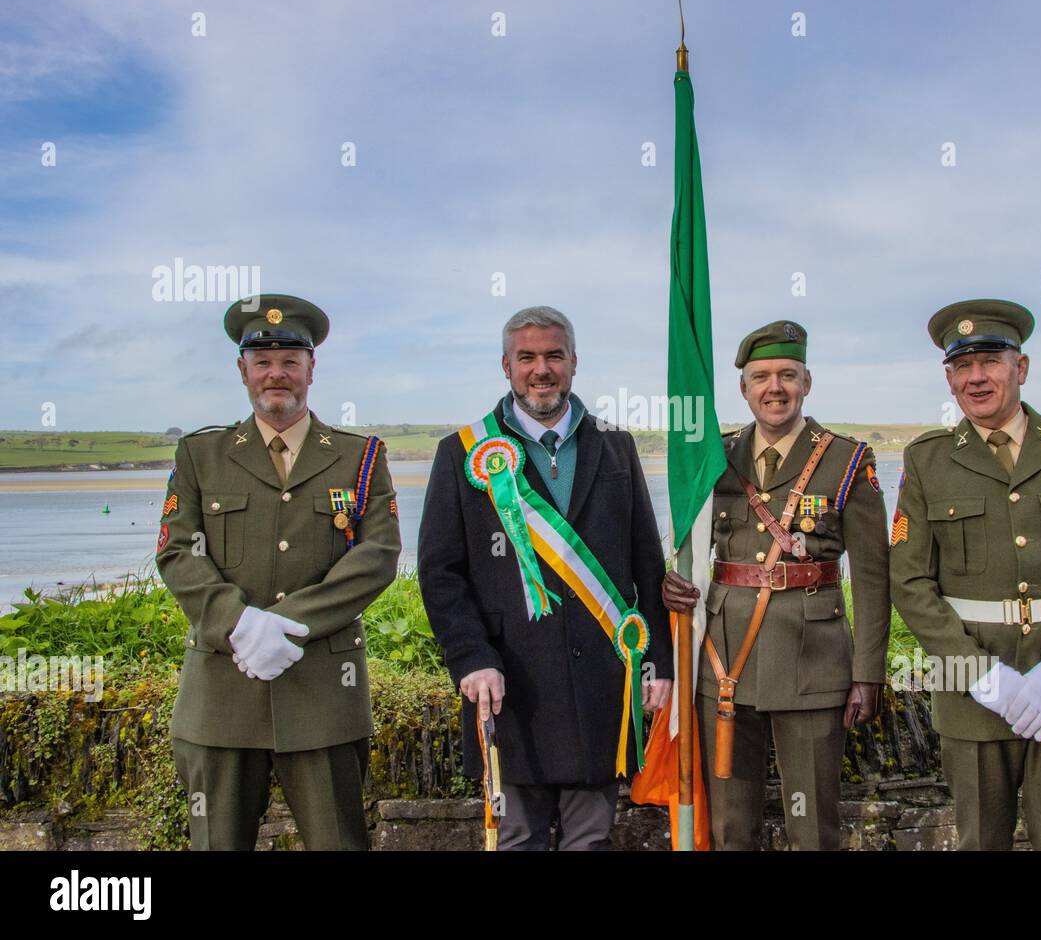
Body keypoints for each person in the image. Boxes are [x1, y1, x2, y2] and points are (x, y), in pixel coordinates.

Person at [418, 305, 673, 850]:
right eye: (527, 357)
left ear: (574, 362)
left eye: (554, 356)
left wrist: (658, 663)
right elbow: (441, 574)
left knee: (592, 841)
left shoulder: (616, 445)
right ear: (505, 366)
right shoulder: (462, 452)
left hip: (603, 682)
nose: (541, 369)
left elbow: (646, 561)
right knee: (519, 840)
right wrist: (471, 657)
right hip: (510, 685)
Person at [889, 298, 1041, 850]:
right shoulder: (927, 460)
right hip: (973, 702)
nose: (976, 378)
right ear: (949, 379)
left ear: (1020, 368)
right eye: (962, 366)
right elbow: (909, 583)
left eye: (990, 362)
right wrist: (979, 675)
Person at [157, 293, 401, 850]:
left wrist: (284, 625)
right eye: (262, 361)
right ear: (242, 369)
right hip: (222, 693)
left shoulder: (360, 456)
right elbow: (177, 551)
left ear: (311, 369)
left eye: (290, 361)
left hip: (323, 696)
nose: (276, 374)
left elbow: (378, 555)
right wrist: (241, 624)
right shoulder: (201, 455)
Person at [661, 319, 890, 850]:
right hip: (724, 663)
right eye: (760, 377)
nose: (775, 388)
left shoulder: (846, 459)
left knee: (813, 829)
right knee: (729, 827)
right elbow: (687, 550)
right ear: (744, 389)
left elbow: (874, 578)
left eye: (787, 374)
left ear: (806, 382)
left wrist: (867, 674)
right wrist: (667, 581)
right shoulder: (715, 459)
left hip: (813, 663)